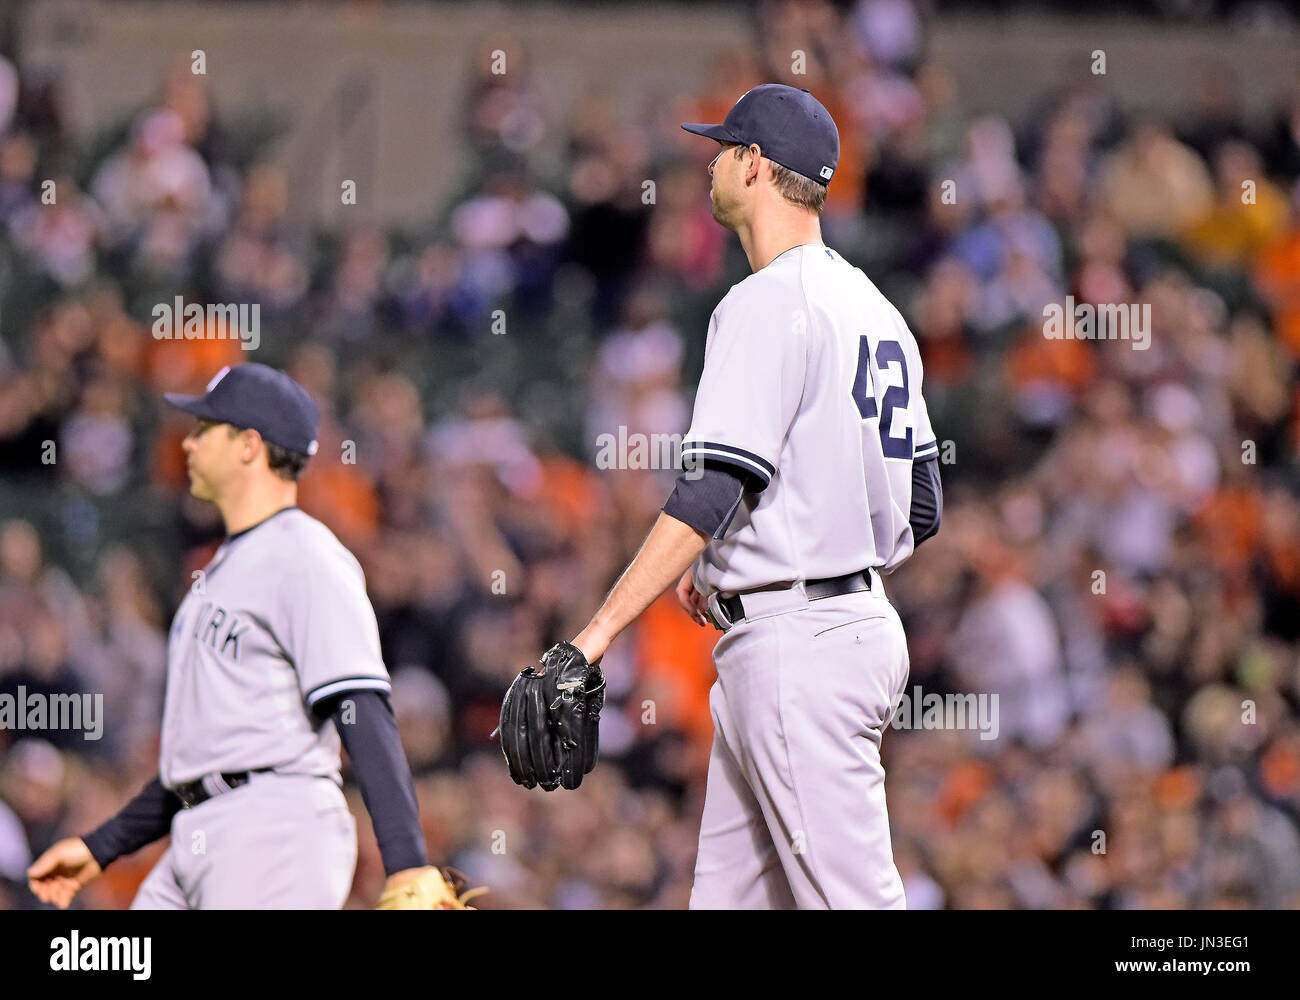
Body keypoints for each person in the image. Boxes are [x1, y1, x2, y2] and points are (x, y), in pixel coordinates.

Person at [566, 84, 942, 908]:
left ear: (755, 164)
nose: (710, 162)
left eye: (723, 147)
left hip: (800, 644)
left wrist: (590, 640)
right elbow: (923, 506)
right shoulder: (878, 311)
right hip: (835, 624)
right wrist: (759, 559)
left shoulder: (766, 300)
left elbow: (713, 485)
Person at [27, 363, 453, 909]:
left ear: (250, 446)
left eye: (206, 430)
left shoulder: (307, 555)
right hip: (201, 831)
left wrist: (407, 861)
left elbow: (360, 706)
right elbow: (199, 763)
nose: (188, 444)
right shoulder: (221, 572)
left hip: (274, 829)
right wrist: (100, 847)